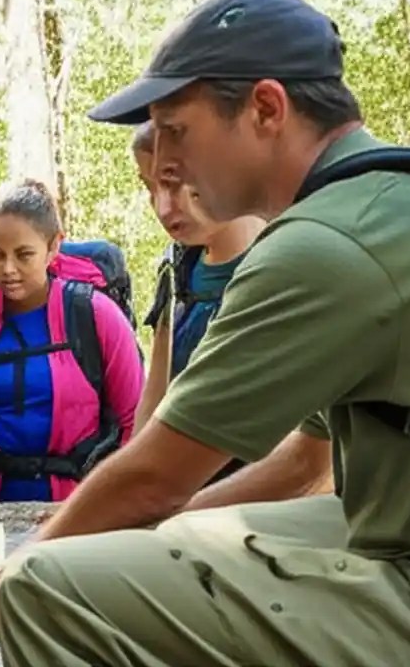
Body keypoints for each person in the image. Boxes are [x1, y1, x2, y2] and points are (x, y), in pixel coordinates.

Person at [0, 0, 410, 666]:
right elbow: (303, 464)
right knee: (119, 543)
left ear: (266, 109)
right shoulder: (395, 201)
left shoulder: (322, 246)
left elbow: (156, 478)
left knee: (44, 589)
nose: (167, 160)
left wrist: (8, 580)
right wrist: (125, 538)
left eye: (177, 128)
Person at [133, 121, 334, 508]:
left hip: (266, 517)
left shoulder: (294, 267)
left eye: (172, 181)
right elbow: (153, 406)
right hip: (177, 511)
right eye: (149, 187)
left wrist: (179, 513)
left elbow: (312, 455)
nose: (161, 206)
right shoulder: (176, 273)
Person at [0, 179, 143, 508]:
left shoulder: (98, 317)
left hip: (77, 509)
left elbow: (134, 421)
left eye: (23, 255)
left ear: (53, 247)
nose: (8, 269)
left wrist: (123, 509)